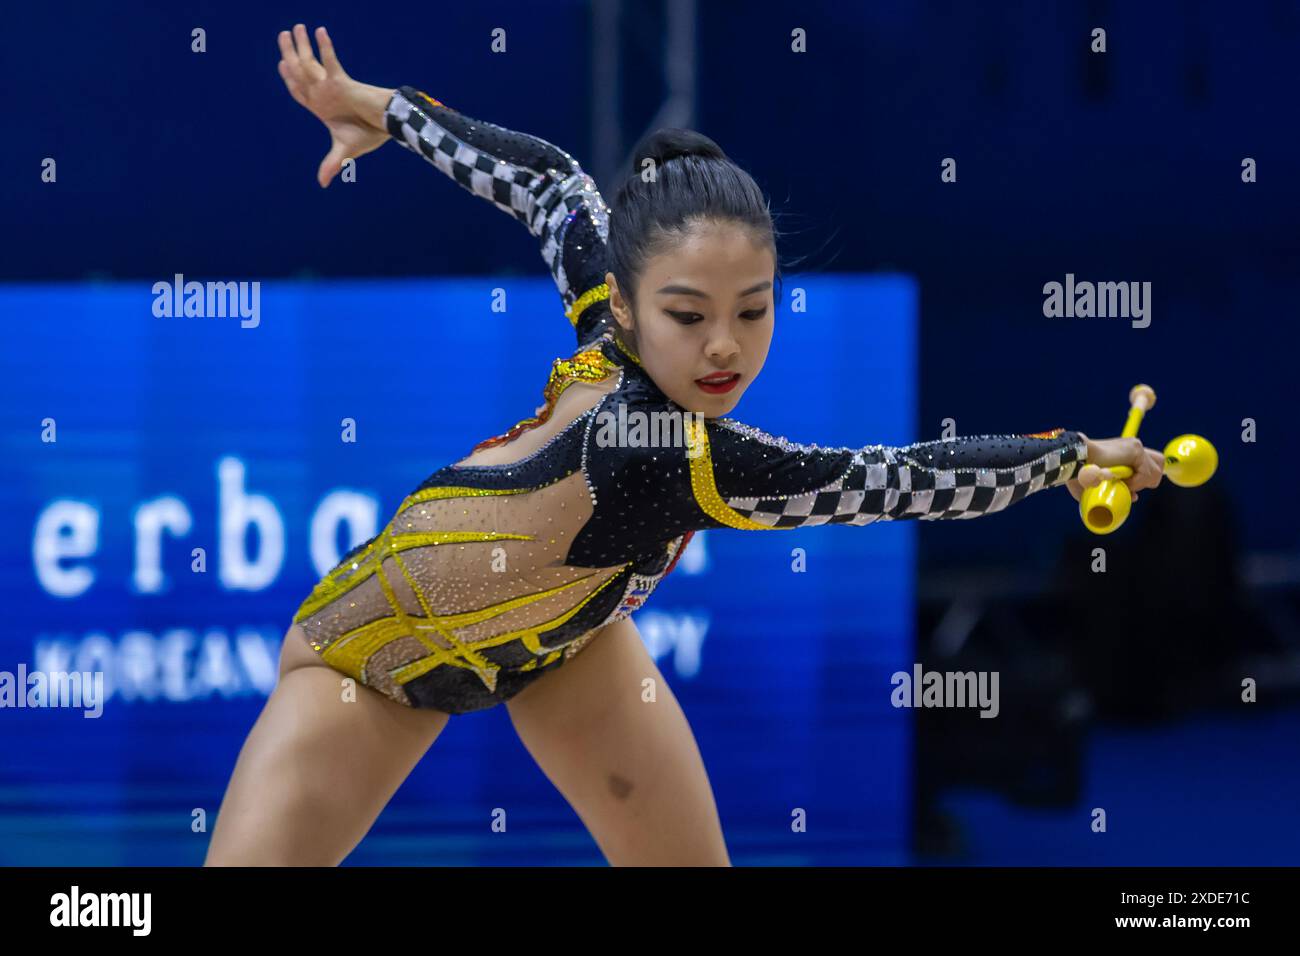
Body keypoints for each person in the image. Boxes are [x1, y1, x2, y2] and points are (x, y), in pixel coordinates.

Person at [204, 24, 1165, 867]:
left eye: (753, 311)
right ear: (624, 304)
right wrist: (1062, 457)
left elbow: (545, 183)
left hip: (563, 643)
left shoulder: (621, 332)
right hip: (369, 657)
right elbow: (890, 483)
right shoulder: (676, 456)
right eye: (688, 313)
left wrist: (377, 107)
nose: (723, 346)